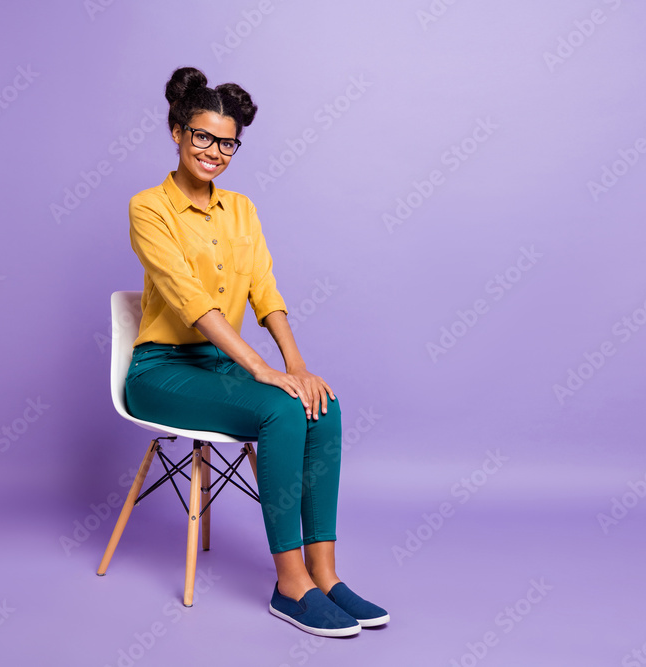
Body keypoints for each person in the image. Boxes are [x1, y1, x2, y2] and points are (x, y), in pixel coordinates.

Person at [123, 66, 388, 638]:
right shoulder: (149, 208)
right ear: (176, 131)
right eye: (202, 136)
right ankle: (290, 585)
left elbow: (265, 291)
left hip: (220, 367)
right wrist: (264, 370)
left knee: (322, 402)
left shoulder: (241, 209)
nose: (215, 151)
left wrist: (296, 365)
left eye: (228, 142)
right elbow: (193, 304)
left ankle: (326, 575)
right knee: (279, 407)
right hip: (161, 371)